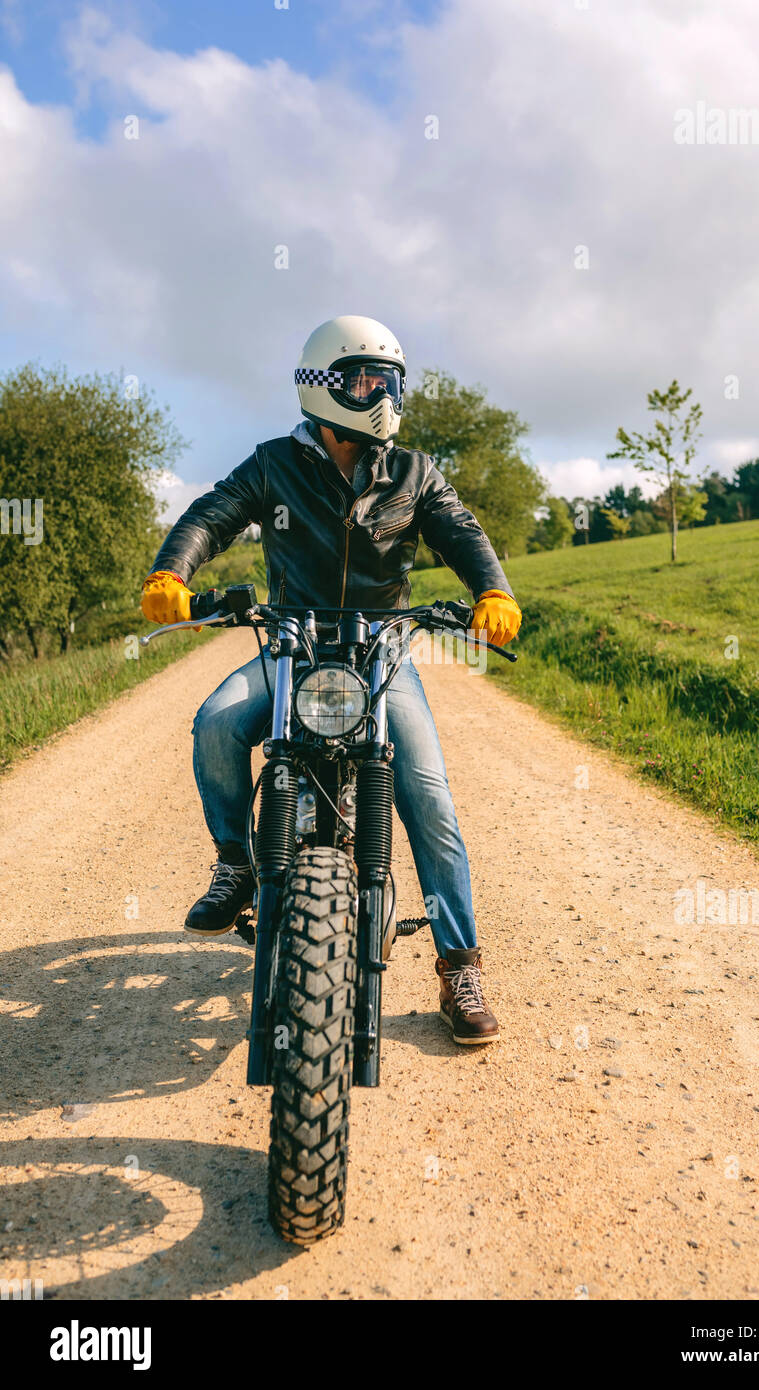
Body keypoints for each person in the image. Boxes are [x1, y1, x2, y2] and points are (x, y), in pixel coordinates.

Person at [140, 315, 521, 1045]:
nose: (381, 393)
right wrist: (172, 569)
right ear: (324, 385)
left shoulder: (413, 472)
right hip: (293, 645)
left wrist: (492, 591)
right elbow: (211, 514)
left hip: (380, 654)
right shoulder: (273, 464)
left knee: (430, 802)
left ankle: (459, 965)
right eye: (365, 379)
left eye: (390, 380)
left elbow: (460, 529)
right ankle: (235, 863)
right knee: (217, 722)